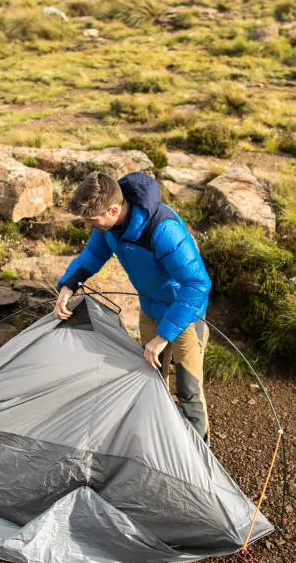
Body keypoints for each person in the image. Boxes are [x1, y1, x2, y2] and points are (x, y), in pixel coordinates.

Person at [54, 170, 214, 442]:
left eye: (92, 220)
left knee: (189, 391)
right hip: (150, 310)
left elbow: (197, 285)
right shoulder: (111, 227)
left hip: (184, 315)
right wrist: (69, 285)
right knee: (151, 381)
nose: (90, 226)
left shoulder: (163, 229)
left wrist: (164, 336)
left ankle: (200, 460)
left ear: (113, 209)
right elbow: (93, 254)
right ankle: (159, 443)